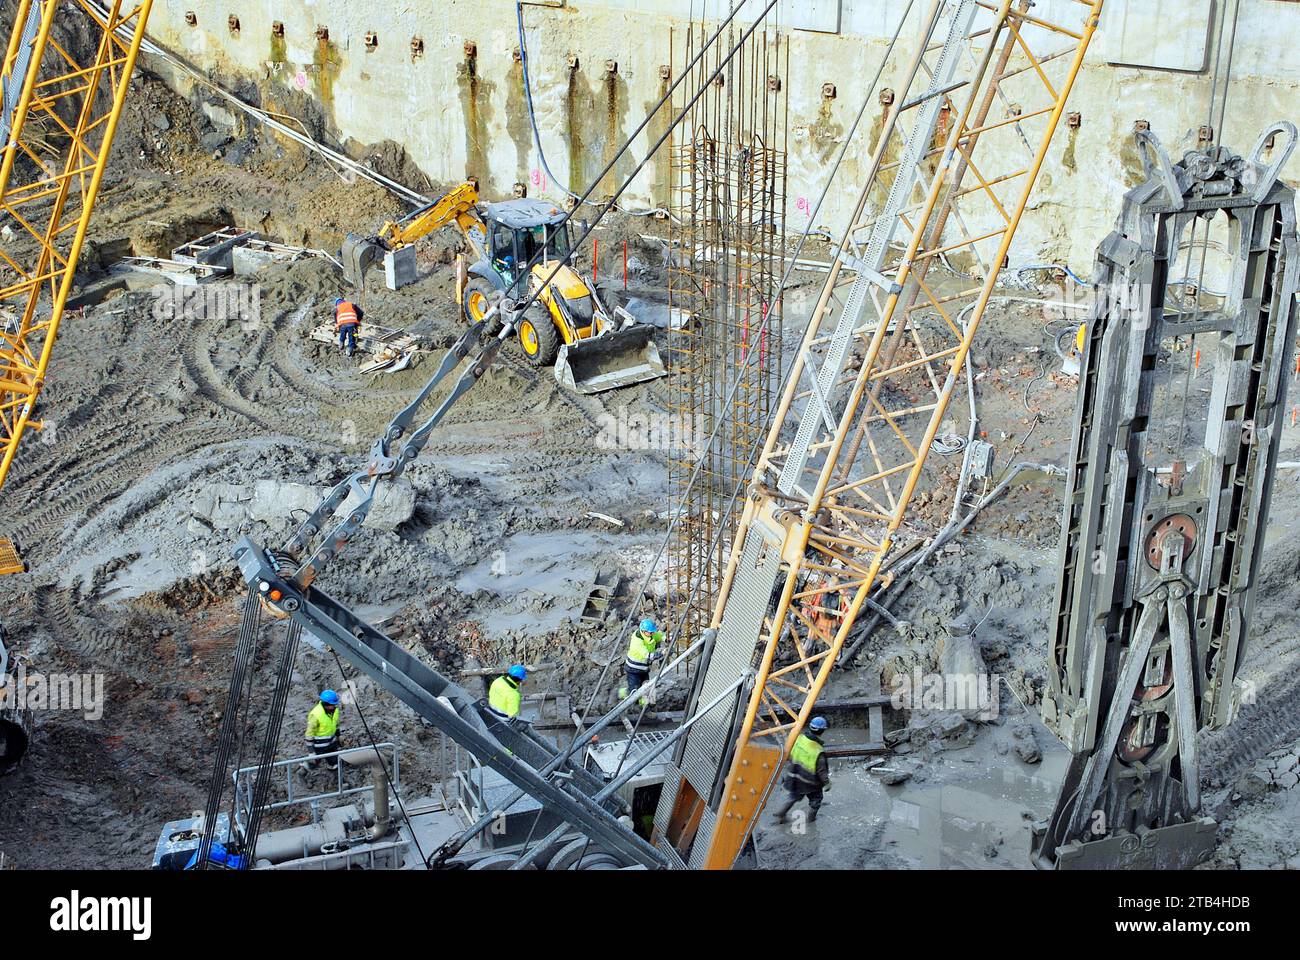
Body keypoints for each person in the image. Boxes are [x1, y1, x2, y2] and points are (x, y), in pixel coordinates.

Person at [773, 716, 831, 824]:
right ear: (822, 731)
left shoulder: (800, 738)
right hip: (810, 782)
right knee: (816, 800)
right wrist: (827, 783)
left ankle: (781, 813)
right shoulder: (818, 750)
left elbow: (791, 754)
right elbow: (821, 771)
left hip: (795, 776)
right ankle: (811, 820)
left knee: (794, 796)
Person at [619, 618, 665, 707]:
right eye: (651, 632)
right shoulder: (637, 641)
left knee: (646, 688)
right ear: (644, 631)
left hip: (644, 668)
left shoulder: (649, 635)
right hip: (633, 669)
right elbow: (648, 655)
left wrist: (667, 637)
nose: (652, 633)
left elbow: (659, 636)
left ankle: (645, 709)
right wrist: (661, 653)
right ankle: (621, 693)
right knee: (635, 691)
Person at [302, 689, 342, 770]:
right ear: (326, 704)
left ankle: (334, 774)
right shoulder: (316, 714)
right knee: (313, 763)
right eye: (332, 705)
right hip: (319, 745)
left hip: (331, 743)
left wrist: (338, 736)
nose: (334, 706)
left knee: (335, 761)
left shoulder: (335, 711)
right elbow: (309, 734)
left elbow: (335, 724)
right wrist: (311, 752)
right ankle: (301, 773)